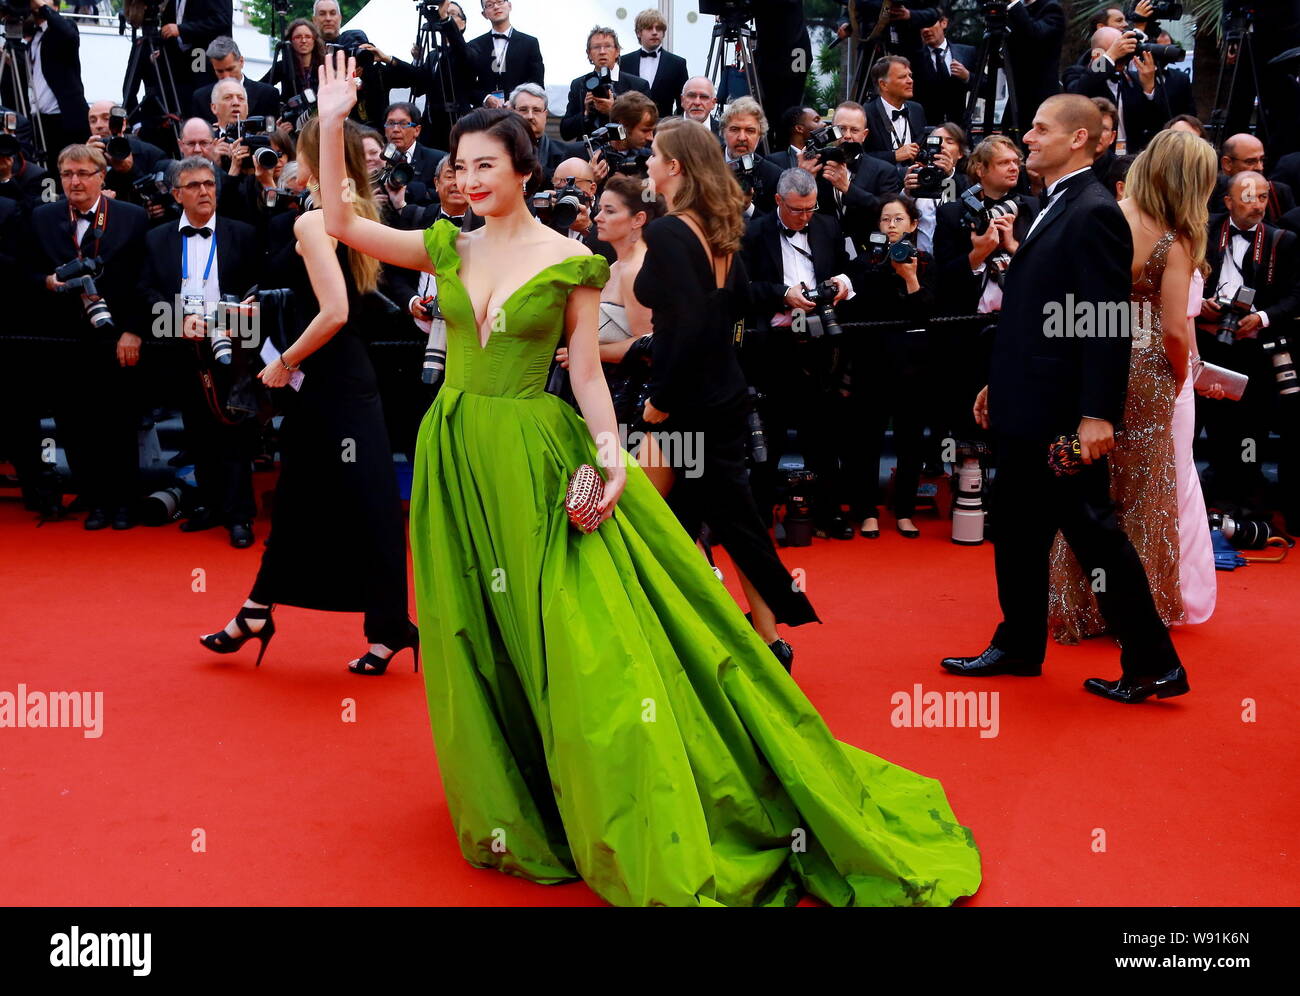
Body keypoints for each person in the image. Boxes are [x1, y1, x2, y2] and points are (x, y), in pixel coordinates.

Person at [313, 51, 981, 908]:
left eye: (488, 165)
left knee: (578, 633)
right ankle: (527, 788)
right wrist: (335, 124)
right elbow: (338, 219)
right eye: (460, 165)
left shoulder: (573, 261)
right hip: (455, 454)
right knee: (477, 624)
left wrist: (610, 455)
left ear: (523, 169)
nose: (470, 180)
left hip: (535, 453)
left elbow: (589, 374)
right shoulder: (446, 245)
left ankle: (626, 788)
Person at [941, 93, 1188, 704]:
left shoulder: (1093, 211)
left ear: (1078, 139)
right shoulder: (1056, 206)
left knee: (1093, 531)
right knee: (1019, 530)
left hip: (1062, 417)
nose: (1027, 137)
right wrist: (1001, 382)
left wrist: (1098, 414)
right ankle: (1020, 645)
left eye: (1039, 129)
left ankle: (1155, 662)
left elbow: (1105, 322)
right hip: (1030, 404)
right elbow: (1037, 314)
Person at [198, 116, 417, 675]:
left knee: (343, 500)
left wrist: (285, 362)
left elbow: (336, 311)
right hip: (346, 380)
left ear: (313, 159)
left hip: (326, 381)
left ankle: (385, 624)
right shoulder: (365, 216)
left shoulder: (316, 222)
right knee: (321, 499)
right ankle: (262, 610)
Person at [1047, 129, 1217, 642]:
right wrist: (1183, 374)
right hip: (1146, 377)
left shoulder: (1107, 214)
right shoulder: (1176, 237)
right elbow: (1172, 329)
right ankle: (1136, 619)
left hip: (1092, 365)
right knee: (1144, 496)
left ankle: (1079, 607)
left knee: (1092, 491)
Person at [140, 156, 263, 547]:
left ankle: (240, 515)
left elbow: (259, 286)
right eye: (194, 185)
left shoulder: (242, 233)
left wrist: (233, 319)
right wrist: (177, 320)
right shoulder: (156, 238)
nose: (204, 191)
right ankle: (210, 506)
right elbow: (145, 291)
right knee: (198, 432)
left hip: (234, 347)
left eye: (209, 184)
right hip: (184, 348)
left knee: (234, 433)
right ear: (177, 194)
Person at [26, 144, 149, 530]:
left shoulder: (132, 217)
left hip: (116, 337)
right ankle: (95, 500)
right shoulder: (42, 218)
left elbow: (145, 279)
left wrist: (134, 329)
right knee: (75, 425)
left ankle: (124, 502)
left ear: (101, 176)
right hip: (64, 342)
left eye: (82, 173)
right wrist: (45, 282)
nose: (74, 181)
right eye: (67, 174)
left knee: (119, 422)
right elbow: (22, 271)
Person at [842, 194, 936, 540]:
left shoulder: (925, 262)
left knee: (911, 441)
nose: (891, 226)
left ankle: (906, 511)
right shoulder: (864, 262)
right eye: (885, 220)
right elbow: (857, 308)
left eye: (898, 219)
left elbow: (925, 312)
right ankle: (866, 511)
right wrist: (881, 270)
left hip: (912, 367)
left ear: (913, 225)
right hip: (872, 363)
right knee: (866, 440)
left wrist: (910, 276)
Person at [560, 27, 649, 141]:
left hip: (625, 151)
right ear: (589, 54)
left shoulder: (638, 85)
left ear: (617, 51)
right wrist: (586, 112)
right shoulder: (579, 84)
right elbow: (565, 132)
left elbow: (645, 128)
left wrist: (614, 111)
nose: (602, 51)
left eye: (607, 46)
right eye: (596, 47)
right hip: (588, 152)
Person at [465, 0, 546, 109]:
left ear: (510, 5)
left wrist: (515, 101)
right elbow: (467, 84)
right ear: (484, 14)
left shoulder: (530, 43)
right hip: (485, 115)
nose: (496, 7)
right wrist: (486, 98)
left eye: (500, 2)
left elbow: (537, 81)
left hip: (519, 112)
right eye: (489, 5)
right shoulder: (474, 45)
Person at [189, 37, 281, 122]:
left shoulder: (268, 94)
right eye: (220, 71)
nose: (226, 76)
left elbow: (273, 133)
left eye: (230, 69)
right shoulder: (200, 98)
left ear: (241, 62)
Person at [620, 8, 689, 121]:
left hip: (664, 129)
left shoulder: (677, 63)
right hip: (631, 127)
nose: (655, 32)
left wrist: (676, 126)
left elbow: (684, 102)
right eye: (649, 28)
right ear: (638, 32)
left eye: (659, 28)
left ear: (664, 33)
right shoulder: (624, 62)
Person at [263, 18, 326, 101]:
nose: (303, 41)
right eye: (298, 37)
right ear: (290, 41)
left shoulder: (324, 66)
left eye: (308, 37)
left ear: (314, 40)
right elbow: (261, 87)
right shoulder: (283, 66)